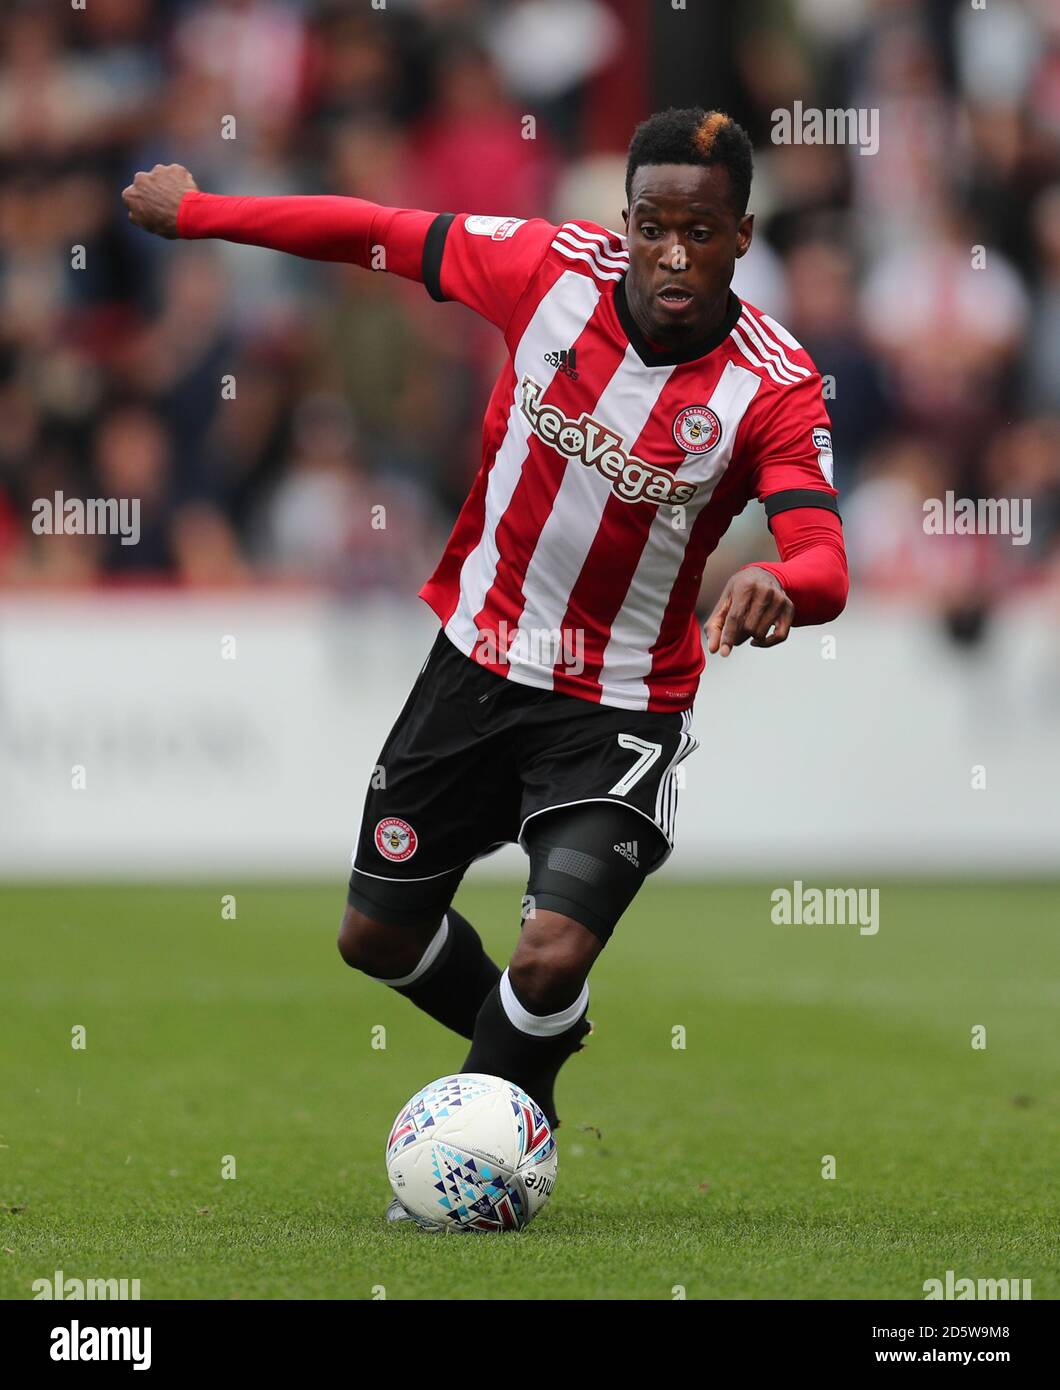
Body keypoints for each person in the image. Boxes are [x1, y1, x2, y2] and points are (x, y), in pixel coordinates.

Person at [124, 106, 848, 1229]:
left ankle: (500, 1121)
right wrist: (202, 213)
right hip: (474, 664)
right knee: (374, 937)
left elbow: (823, 554)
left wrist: (781, 586)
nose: (670, 251)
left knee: (549, 952)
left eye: (698, 232)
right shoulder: (544, 272)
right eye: (652, 224)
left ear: (741, 236)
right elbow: (371, 230)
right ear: (625, 221)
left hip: (618, 703)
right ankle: (526, 1042)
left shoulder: (774, 384)